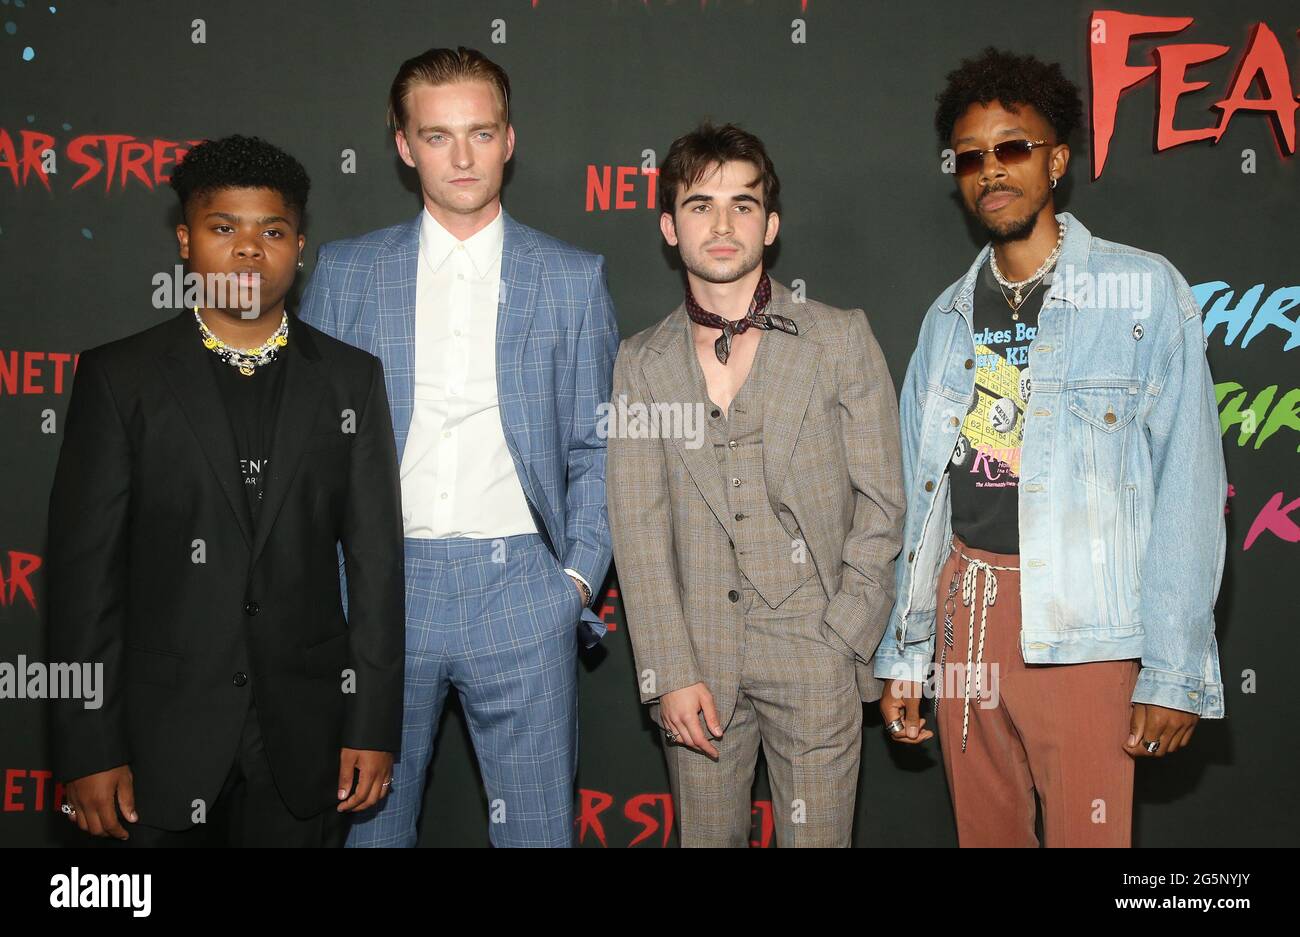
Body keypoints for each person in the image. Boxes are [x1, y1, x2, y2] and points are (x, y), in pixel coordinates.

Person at [876, 48, 1228, 847]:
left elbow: (1190, 490)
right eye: (971, 157)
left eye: (1012, 147)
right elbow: (920, 503)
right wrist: (905, 649)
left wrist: (1173, 669)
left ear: (1057, 160)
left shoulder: (1141, 292)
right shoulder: (946, 319)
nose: (990, 171)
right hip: (968, 615)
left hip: (1084, 622)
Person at [299, 47, 619, 848]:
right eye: (438, 136)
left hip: (522, 589)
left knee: (539, 834)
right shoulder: (345, 274)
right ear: (404, 146)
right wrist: (334, 586)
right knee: (372, 834)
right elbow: (312, 452)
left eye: (481, 132)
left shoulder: (572, 278)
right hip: (380, 591)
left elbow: (601, 444)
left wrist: (573, 582)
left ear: (510, 138)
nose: (464, 155)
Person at [48, 134, 405, 847]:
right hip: (157, 739)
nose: (249, 250)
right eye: (223, 229)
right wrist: (88, 745)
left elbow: (376, 567)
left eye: (271, 231)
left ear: (299, 247)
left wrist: (370, 723)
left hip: (304, 740)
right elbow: (83, 583)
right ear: (185, 241)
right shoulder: (121, 379)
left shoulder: (350, 380)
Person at [608, 122, 904, 847]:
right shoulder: (640, 363)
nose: (721, 222)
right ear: (669, 226)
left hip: (815, 647)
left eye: (742, 204)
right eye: (700, 204)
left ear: (770, 225)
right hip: (696, 659)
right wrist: (668, 670)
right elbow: (638, 531)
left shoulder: (839, 339)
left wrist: (846, 634)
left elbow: (883, 501)